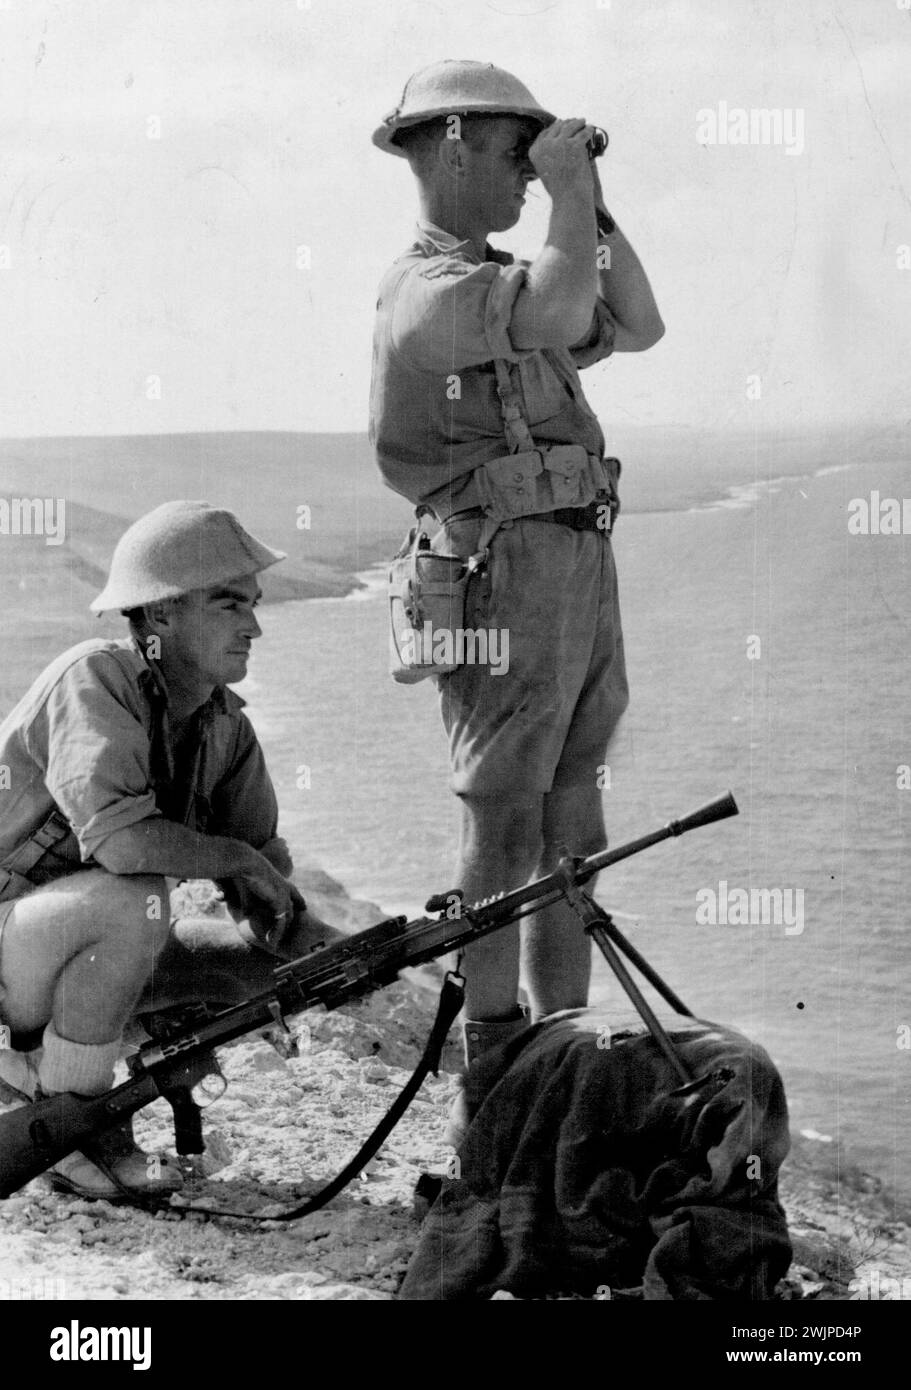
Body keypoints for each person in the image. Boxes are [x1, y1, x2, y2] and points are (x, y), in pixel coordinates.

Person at [369, 61, 665, 1132]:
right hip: (497, 571)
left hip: (572, 561)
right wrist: (570, 199)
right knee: (503, 823)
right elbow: (565, 301)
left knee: (572, 815)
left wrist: (586, 189)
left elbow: (636, 321)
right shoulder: (432, 291)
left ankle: (562, 1047)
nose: (522, 182)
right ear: (447, 145)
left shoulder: (503, 275)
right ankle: (494, 1073)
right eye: (509, 155)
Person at [0, 500, 339, 1200]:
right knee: (135, 898)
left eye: (251, 604)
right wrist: (237, 864)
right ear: (157, 617)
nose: (254, 625)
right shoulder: (94, 678)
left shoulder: (223, 727)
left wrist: (348, 951)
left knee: (263, 960)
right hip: (15, 946)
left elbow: (264, 873)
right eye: (227, 605)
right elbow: (124, 847)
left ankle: (57, 1071)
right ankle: (70, 1126)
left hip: (57, 947)